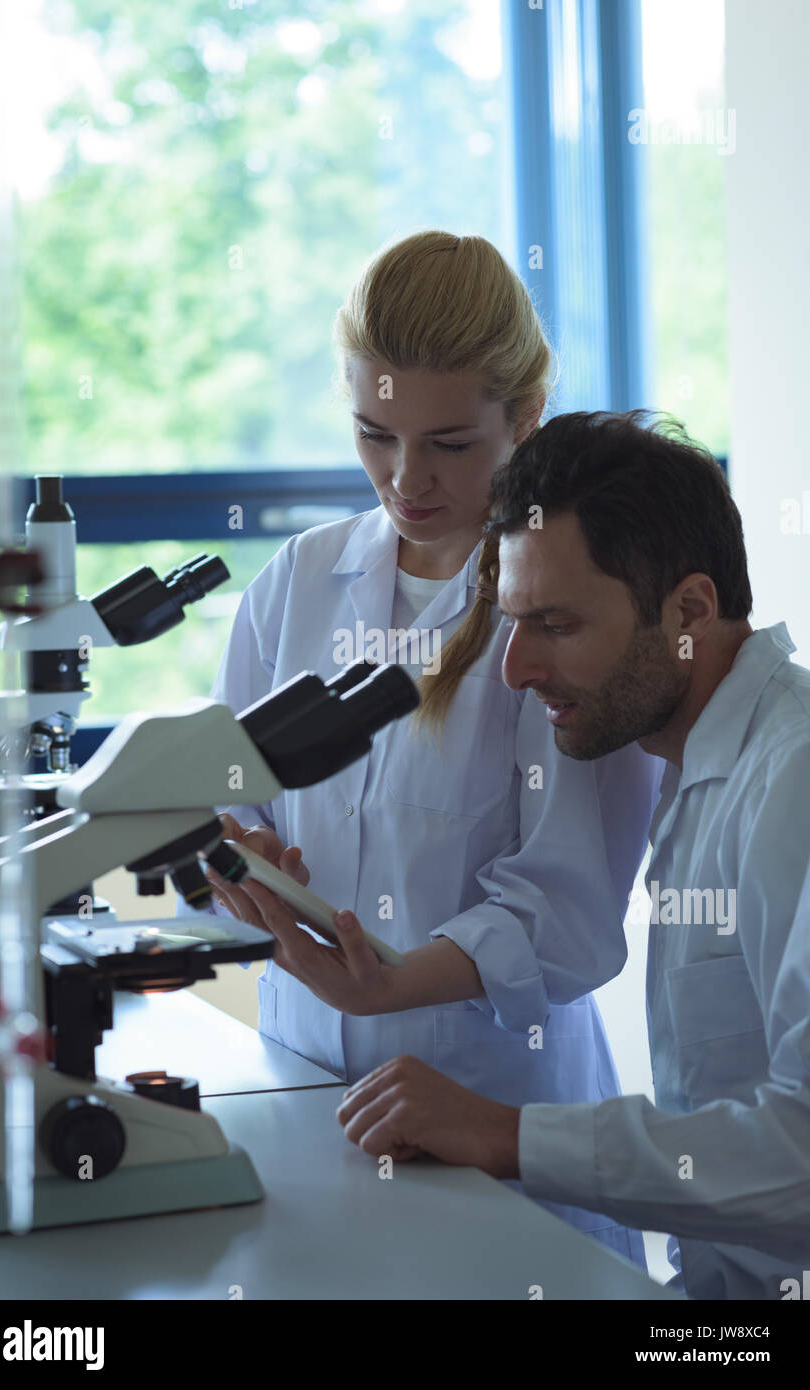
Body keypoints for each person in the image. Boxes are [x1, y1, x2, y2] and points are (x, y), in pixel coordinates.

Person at [200, 232, 663, 1264]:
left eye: (450, 444)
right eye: (375, 434)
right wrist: (237, 858)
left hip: (494, 1115)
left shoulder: (562, 614)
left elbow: (568, 909)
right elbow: (228, 791)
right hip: (303, 1090)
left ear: (523, 416)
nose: (406, 479)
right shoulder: (296, 584)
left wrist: (385, 984)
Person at [315, 409, 810, 1301]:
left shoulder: (798, 778)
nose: (514, 669)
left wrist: (506, 1135)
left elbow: (808, 1154)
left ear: (689, 612)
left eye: (554, 624)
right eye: (513, 623)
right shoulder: (700, 770)